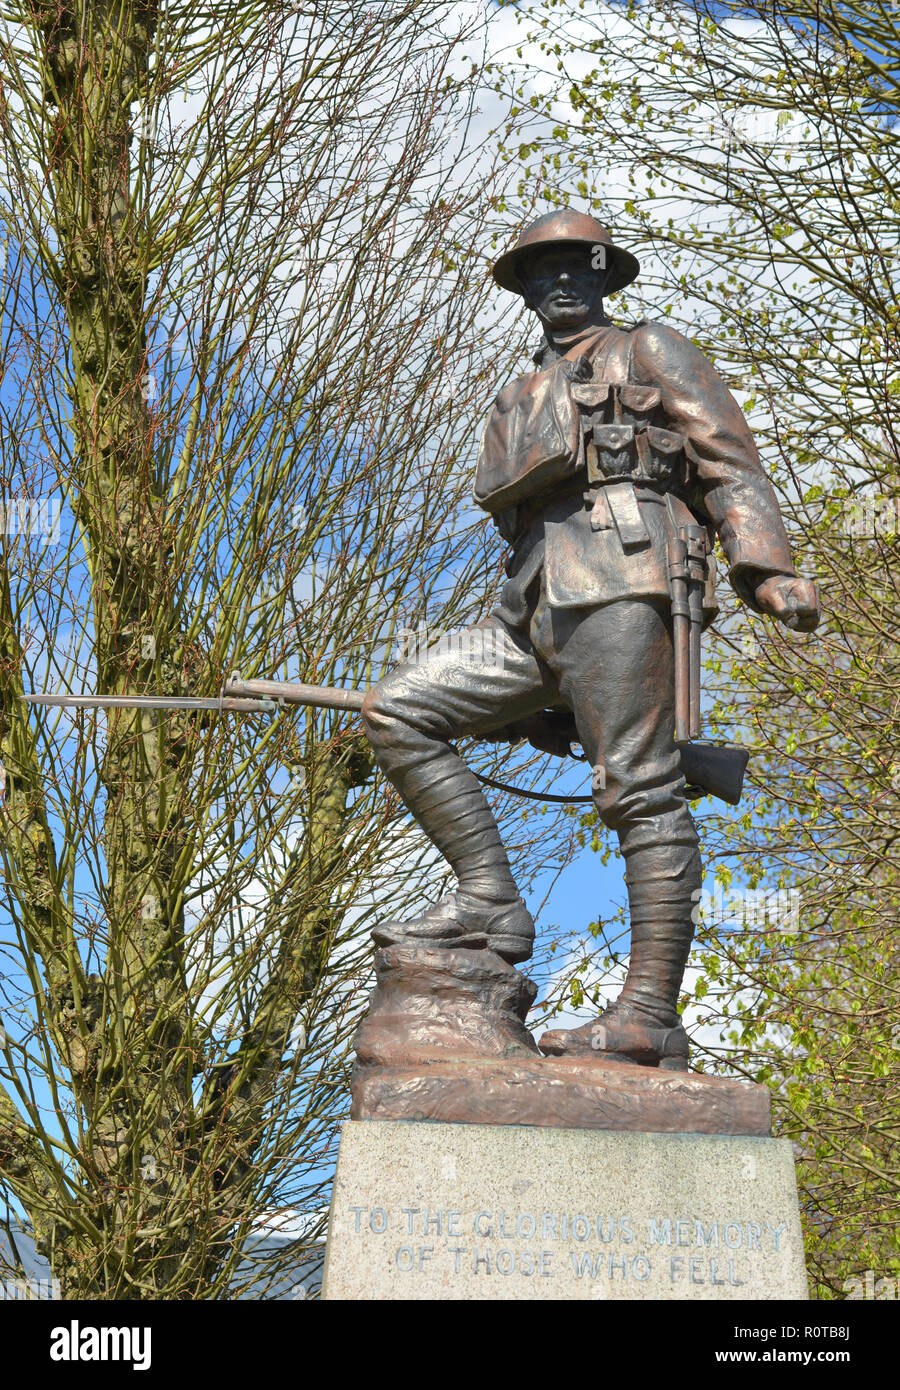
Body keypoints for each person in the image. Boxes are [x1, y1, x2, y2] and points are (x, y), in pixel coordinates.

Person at [361, 209, 819, 1068]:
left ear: (607, 275)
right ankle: (491, 900)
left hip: (626, 571)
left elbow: (730, 460)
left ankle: (648, 1013)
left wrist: (765, 569)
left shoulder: (648, 349)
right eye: (542, 271)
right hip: (532, 600)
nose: (560, 282)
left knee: (641, 790)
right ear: (523, 289)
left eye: (579, 266)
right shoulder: (521, 388)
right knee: (398, 709)